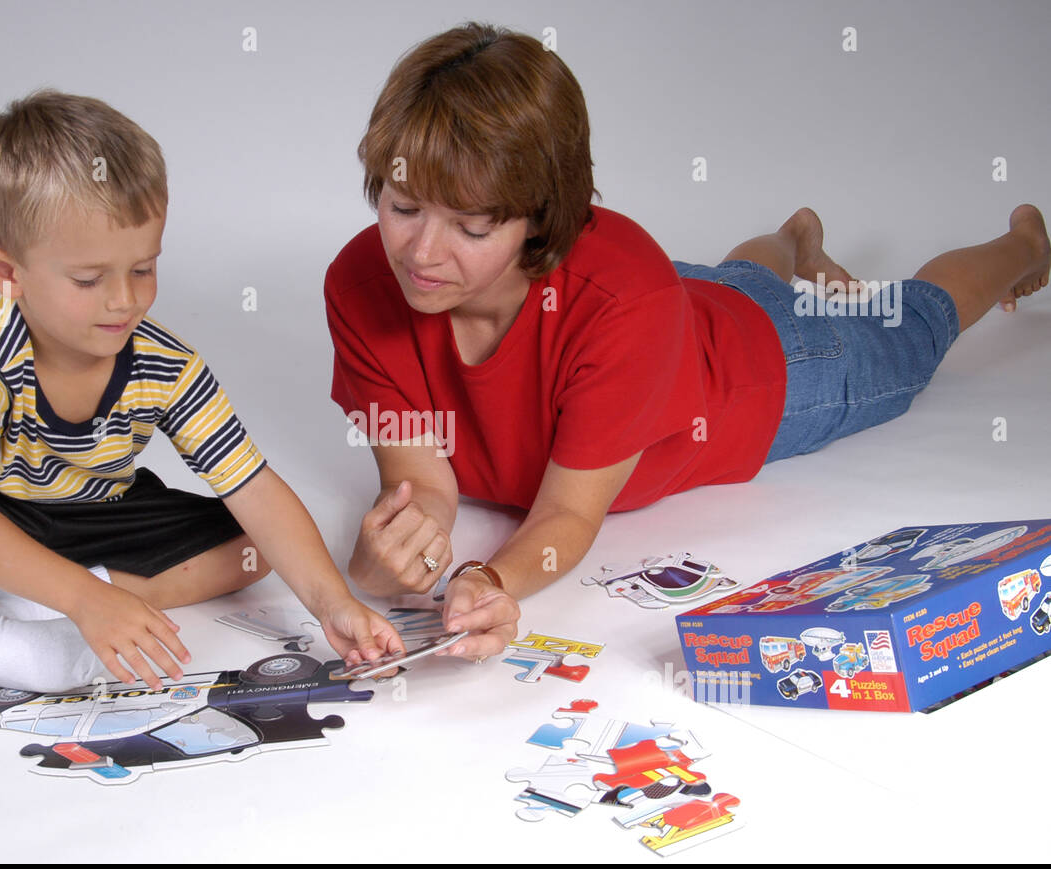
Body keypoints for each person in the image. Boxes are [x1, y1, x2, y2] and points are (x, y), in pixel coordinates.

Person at [326, 23, 1050, 662]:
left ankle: (1022, 243)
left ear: (540, 220)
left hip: (769, 363)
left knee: (915, 329)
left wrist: (491, 580)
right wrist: (388, 558)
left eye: (471, 228)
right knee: (734, 278)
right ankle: (794, 238)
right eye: (403, 206)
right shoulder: (362, 286)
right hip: (680, 302)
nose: (420, 252)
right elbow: (426, 492)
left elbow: (568, 514)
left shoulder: (627, 301)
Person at [0, 90, 401, 692]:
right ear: (7, 272)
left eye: (143, 268)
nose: (125, 300)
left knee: (257, 543)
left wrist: (332, 603)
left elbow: (251, 486)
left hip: (102, 515)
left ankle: (57, 595)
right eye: (90, 279)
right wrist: (85, 597)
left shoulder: (165, 361)